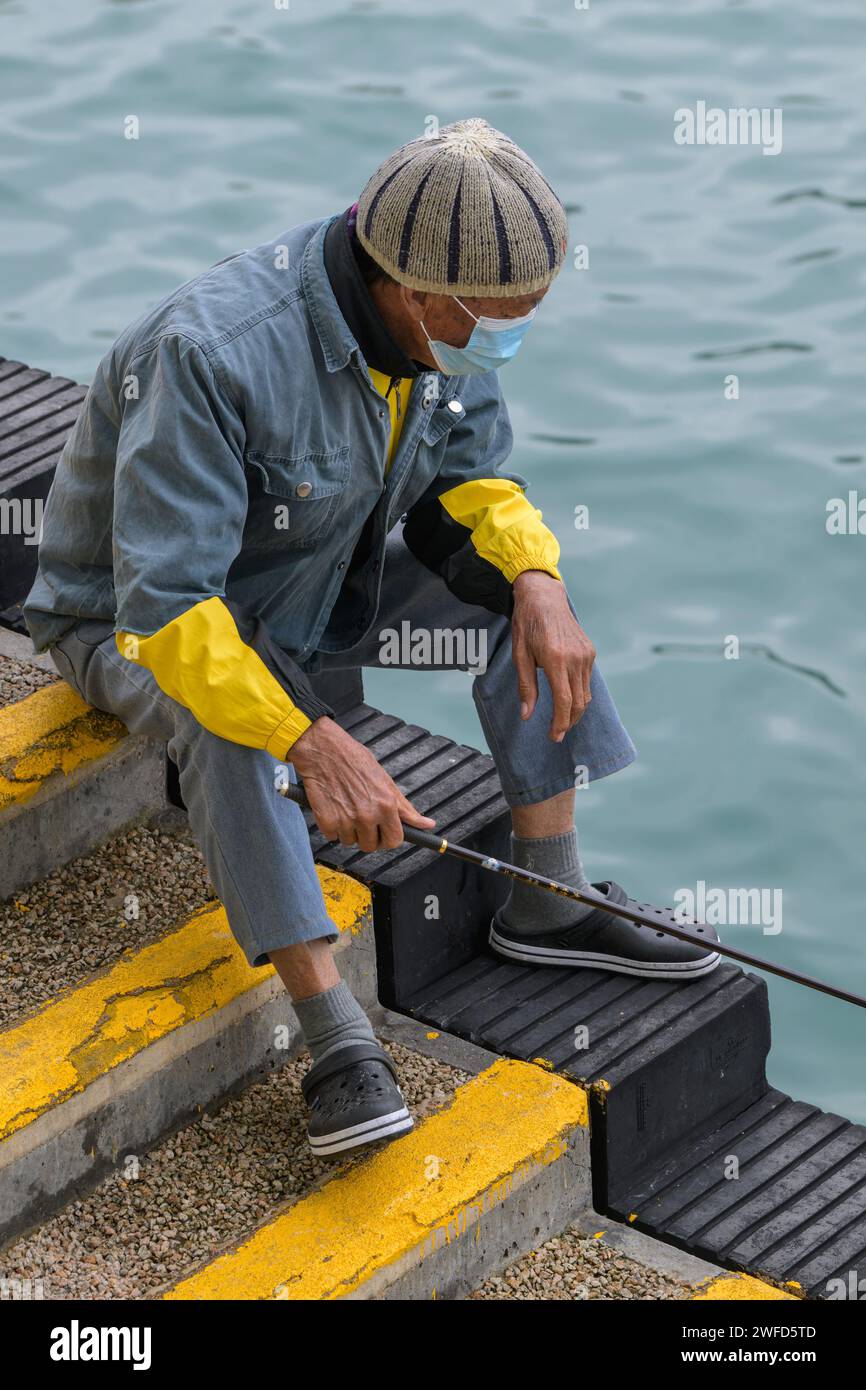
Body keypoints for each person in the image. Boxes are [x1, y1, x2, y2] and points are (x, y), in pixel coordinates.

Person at [24, 118, 720, 1158]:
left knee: (522, 609)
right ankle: (331, 1031)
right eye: (494, 322)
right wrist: (308, 736)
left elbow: (464, 484)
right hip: (133, 617)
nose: (503, 342)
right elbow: (168, 609)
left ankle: (547, 894)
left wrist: (535, 578)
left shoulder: (440, 323)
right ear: (410, 288)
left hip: (320, 573)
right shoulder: (207, 353)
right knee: (235, 727)